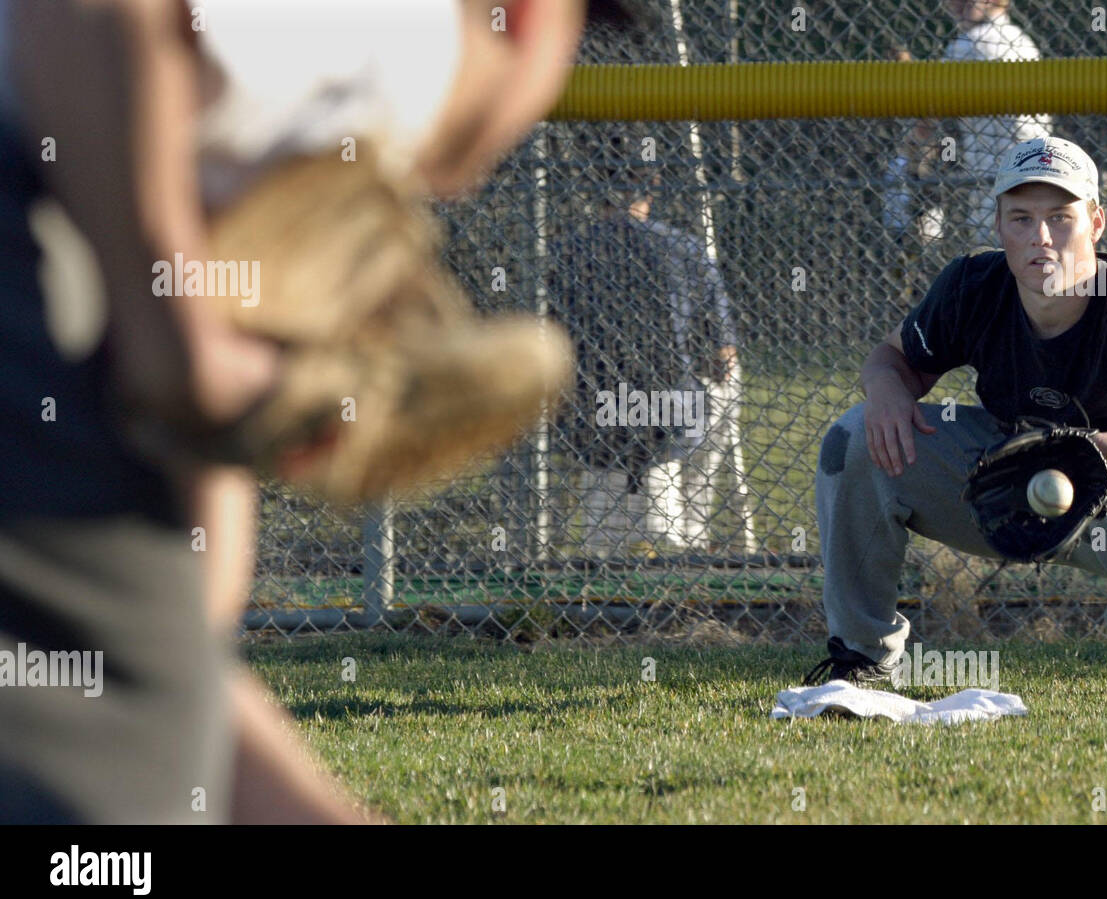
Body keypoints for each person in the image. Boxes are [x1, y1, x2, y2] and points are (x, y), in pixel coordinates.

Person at [0, 0, 639, 824]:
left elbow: (182, 660)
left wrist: (217, 414)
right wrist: (174, 332)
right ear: (534, 20)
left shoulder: (206, 144)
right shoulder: (407, 46)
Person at [808, 136, 1107, 694]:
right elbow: (891, 357)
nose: (1040, 236)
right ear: (998, 225)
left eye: (1060, 218)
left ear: (1096, 222)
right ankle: (859, 657)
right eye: (1021, 218)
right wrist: (886, 388)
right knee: (852, 436)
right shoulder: (974, 284)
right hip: (1016, 480)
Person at [551, 155, 741, 555]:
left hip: (593, 411)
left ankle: (626, 539)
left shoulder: (565, 251)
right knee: (723, 390)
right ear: (650, 191)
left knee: (610, 533)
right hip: (669, 410)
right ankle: (690, 530)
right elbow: (723, 355)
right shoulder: (685, 248)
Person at [883, 0, 1052, 256]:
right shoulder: (1020, 38)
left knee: (994, 259)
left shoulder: (973, 42)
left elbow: (930, 111)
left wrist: (909, 152)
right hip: (1035, 172)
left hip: (997, 181)